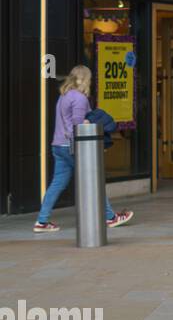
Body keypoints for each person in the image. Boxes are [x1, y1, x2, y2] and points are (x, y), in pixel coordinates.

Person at [33, 65, 134, 233]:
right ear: (86, 79)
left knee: (57, 184)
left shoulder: (64, 96)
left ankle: (41, 221)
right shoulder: (79, 98)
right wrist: (89, 134)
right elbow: (78, 127)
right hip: (72, 147)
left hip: (58, 146)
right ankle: (110, 217)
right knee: (94, 179)